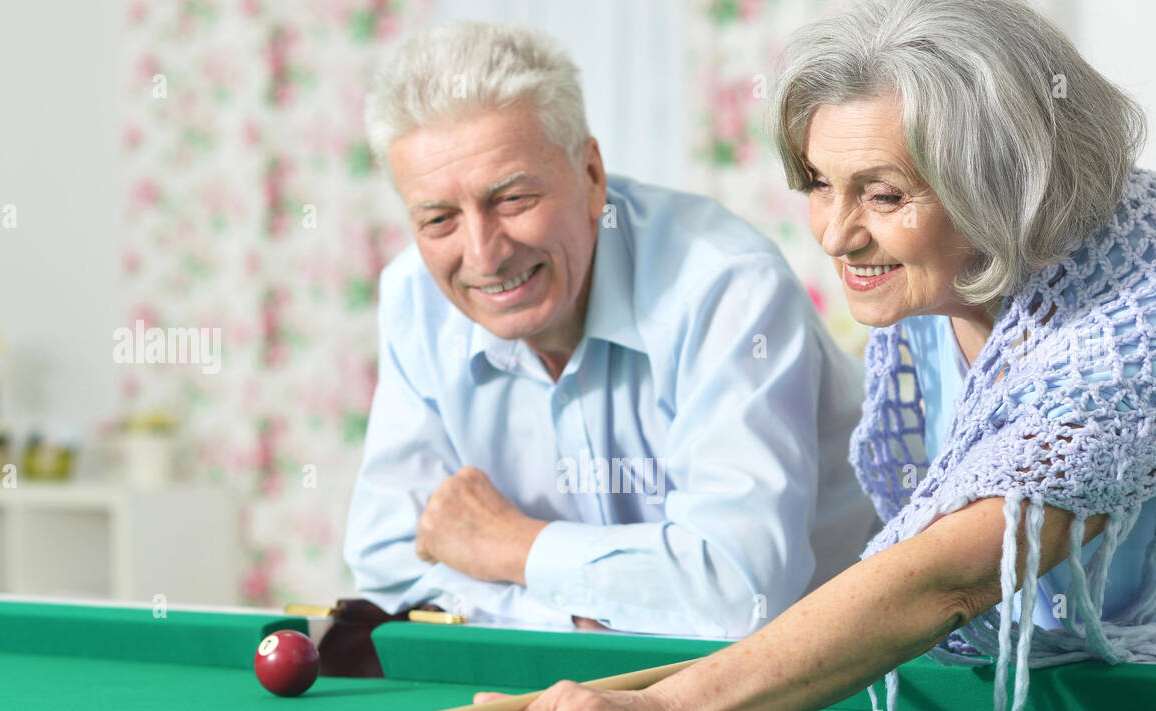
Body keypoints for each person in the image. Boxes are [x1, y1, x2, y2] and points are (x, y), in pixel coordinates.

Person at [460, 0, 1156, 711]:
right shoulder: (941, 271)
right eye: (818, 182)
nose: (837, 234)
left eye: (882, 195)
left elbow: (949, 576)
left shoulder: (1155, 316)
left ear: (1007, 182)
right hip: (1089, 708)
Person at [343, 21, 879, 640]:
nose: (484, 255)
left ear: (592, 175)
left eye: (513, 199)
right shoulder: (414, 297)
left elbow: (741, 593)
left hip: (827, 687)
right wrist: (576, 613)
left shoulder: (725, 287)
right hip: (582, 693)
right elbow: (387, 569)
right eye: (438, 219)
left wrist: (517, 549)